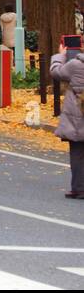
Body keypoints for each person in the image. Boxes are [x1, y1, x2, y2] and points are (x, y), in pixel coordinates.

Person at [49, 47, 84, 198]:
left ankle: (79, 188)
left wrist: (60, 55)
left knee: (77, 153)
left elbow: (56, 72)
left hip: (77, 114)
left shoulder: (76, 65)